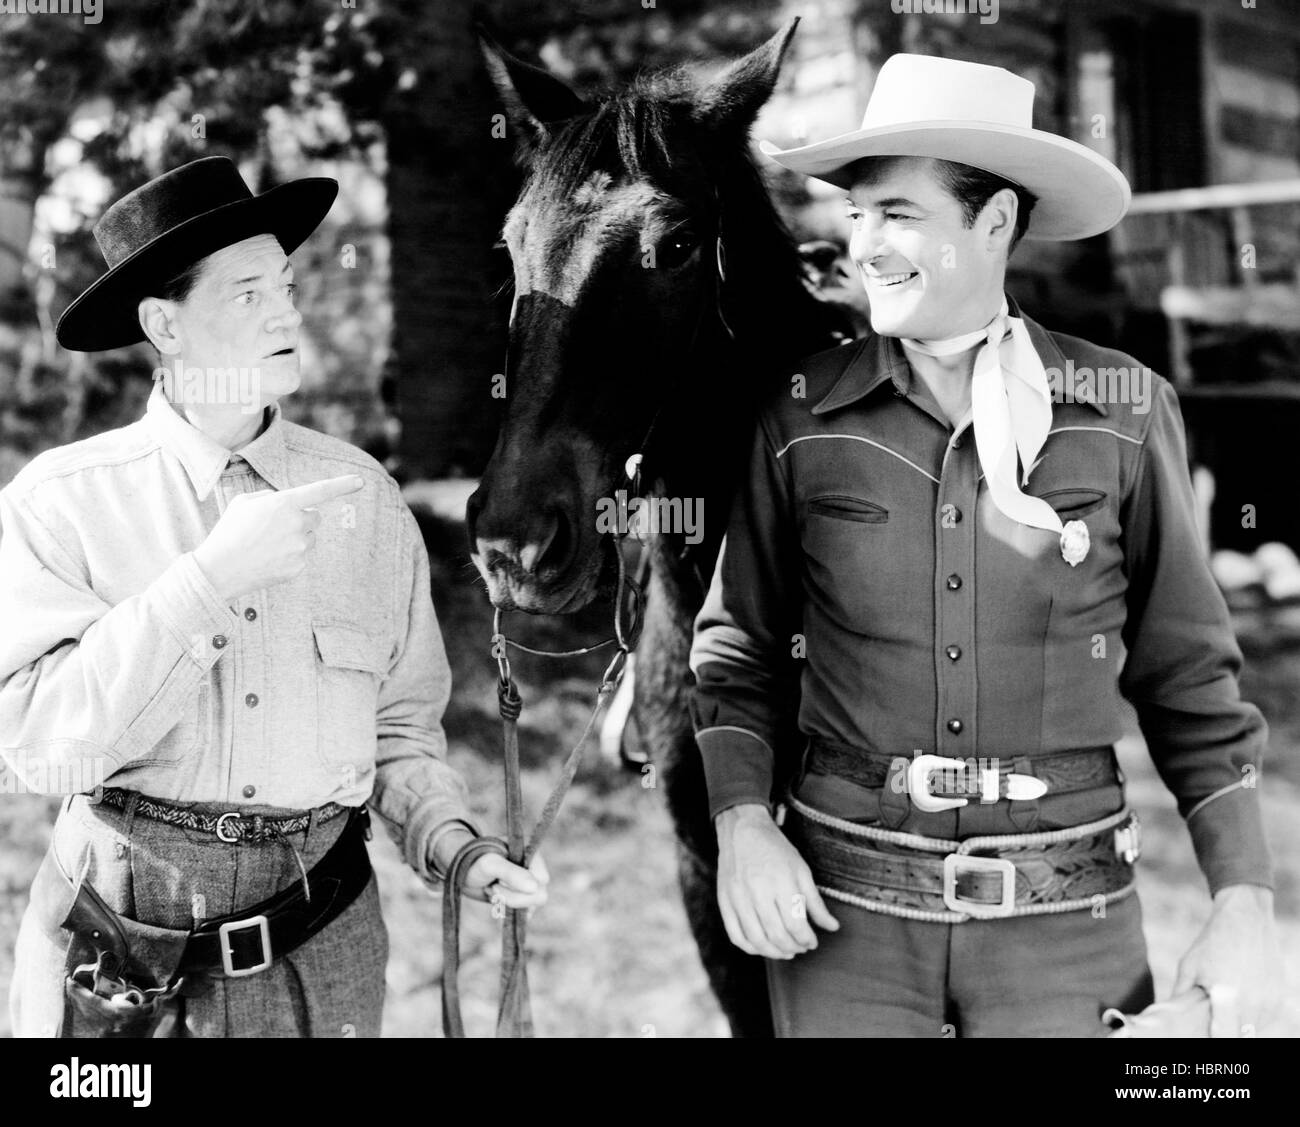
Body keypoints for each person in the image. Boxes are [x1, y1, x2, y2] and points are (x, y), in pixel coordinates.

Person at [689, 54, 1280, 1037]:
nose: (863, 244)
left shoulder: (1124, 412)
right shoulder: (798, 418)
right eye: (858, 211)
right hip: (846, 929)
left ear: (994, 222)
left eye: (900, 214)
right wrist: (742, 818)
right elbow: (738, 649)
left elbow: (1190, 678)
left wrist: (1243, 897)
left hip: (1067, 928)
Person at [1, 156, 547, 1037]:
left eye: (286, 284)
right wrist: (207, 584)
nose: (289, 311)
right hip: (118, 959)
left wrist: (451, 843)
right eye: (248, 292)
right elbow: (31, 747)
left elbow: (401, 732)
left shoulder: (362, 497)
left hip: (322, 952)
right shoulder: (61, 502)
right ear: (162, 323)